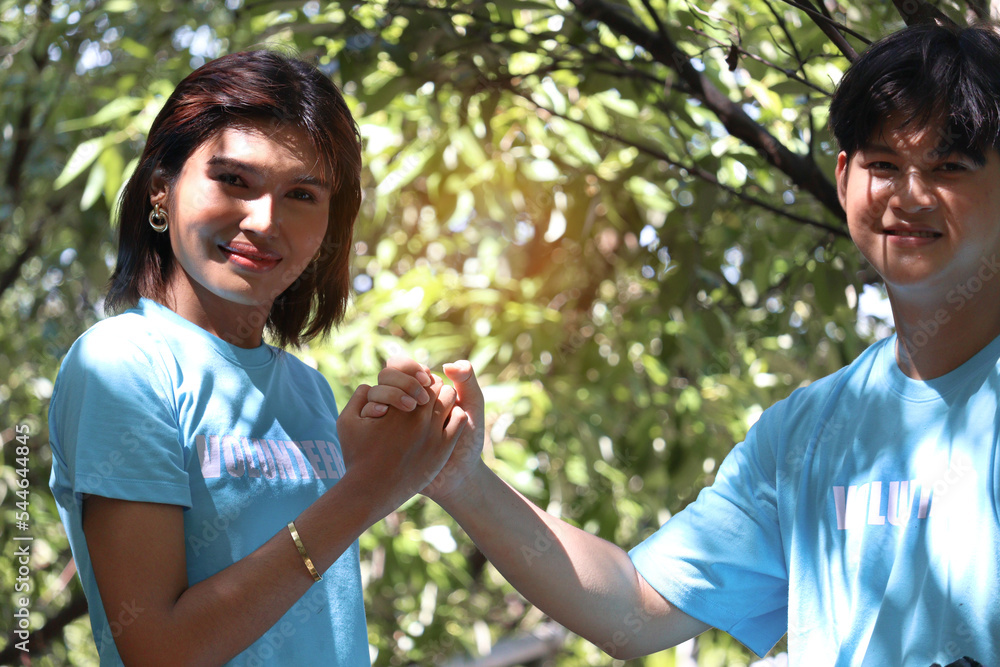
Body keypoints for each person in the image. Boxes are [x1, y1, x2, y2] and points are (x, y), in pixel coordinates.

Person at [357, 21, 1000, 665]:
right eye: (884, 165)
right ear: (844, 179)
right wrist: (462, 479)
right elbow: (635, 612)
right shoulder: (806, 434)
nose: (909, 196)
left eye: (948, 167)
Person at [47, 50, 467, 666]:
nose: (265, 221)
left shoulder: (308, 389)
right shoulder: (122, 363)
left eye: (301, 193)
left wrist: (365, 459)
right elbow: (158, 651)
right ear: (161, 189)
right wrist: (369, 490)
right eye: (234, 181)